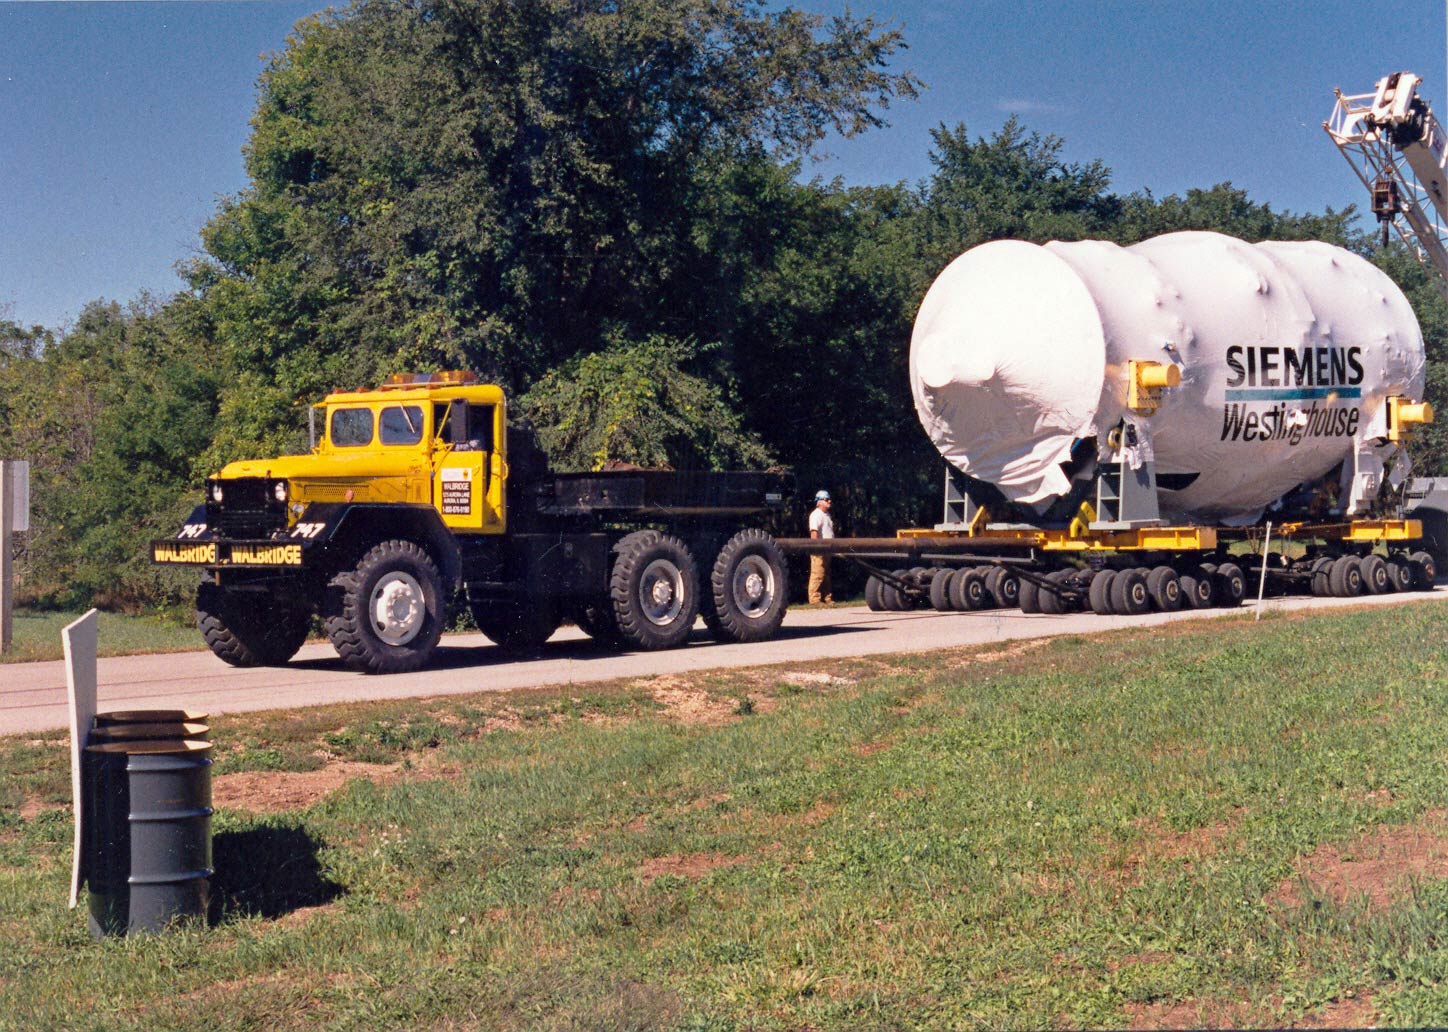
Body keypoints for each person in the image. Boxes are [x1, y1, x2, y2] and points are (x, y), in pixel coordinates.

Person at [808, 489, 834, 604]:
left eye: (829, 499)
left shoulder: (827, 515)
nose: (829, 501)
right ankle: (815, 599)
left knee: (826, 575)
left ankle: (827, 598)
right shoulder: (816, 515)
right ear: (819, 502)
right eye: (826, 499)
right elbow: (814, 533)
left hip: (828, 550)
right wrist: (816, 548)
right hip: (819, 550)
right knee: (817, 574)